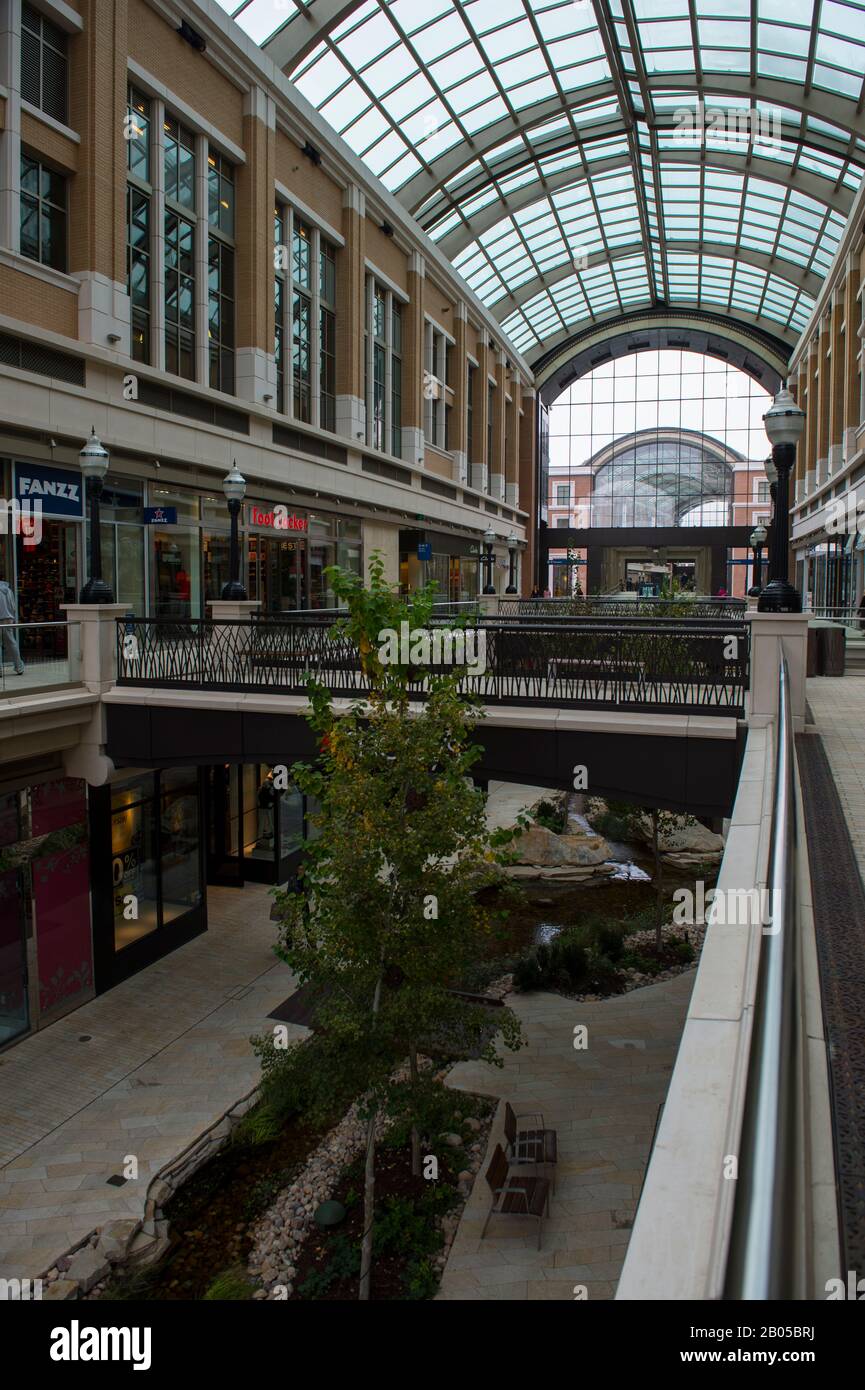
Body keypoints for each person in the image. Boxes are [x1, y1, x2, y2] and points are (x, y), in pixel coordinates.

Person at [0, 573, 24, 676]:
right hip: (8, 619)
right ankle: (19, 667)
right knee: (12, 643)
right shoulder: (8, 591)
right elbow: (13, 607)